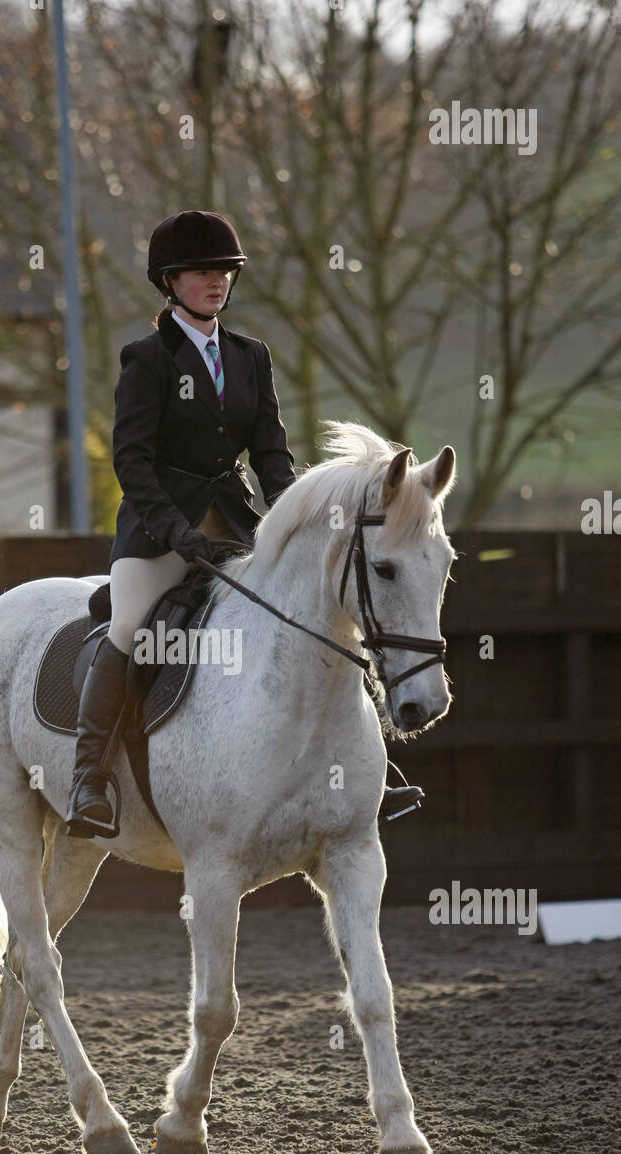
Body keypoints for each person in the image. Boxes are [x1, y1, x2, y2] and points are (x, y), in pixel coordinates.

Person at [66, 209, 421, 837]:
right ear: (170, 282)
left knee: (321, 610)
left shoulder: (250, 356)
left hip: (236, 520)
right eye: (202, 272)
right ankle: (88, 778)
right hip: (157, 531)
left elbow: (271, 454)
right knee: (130, 628)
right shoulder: (147, 358)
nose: (216, 282)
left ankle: (372, 771)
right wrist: (175, 530)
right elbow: (133, 460)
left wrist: (296, 517)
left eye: (224, 272)